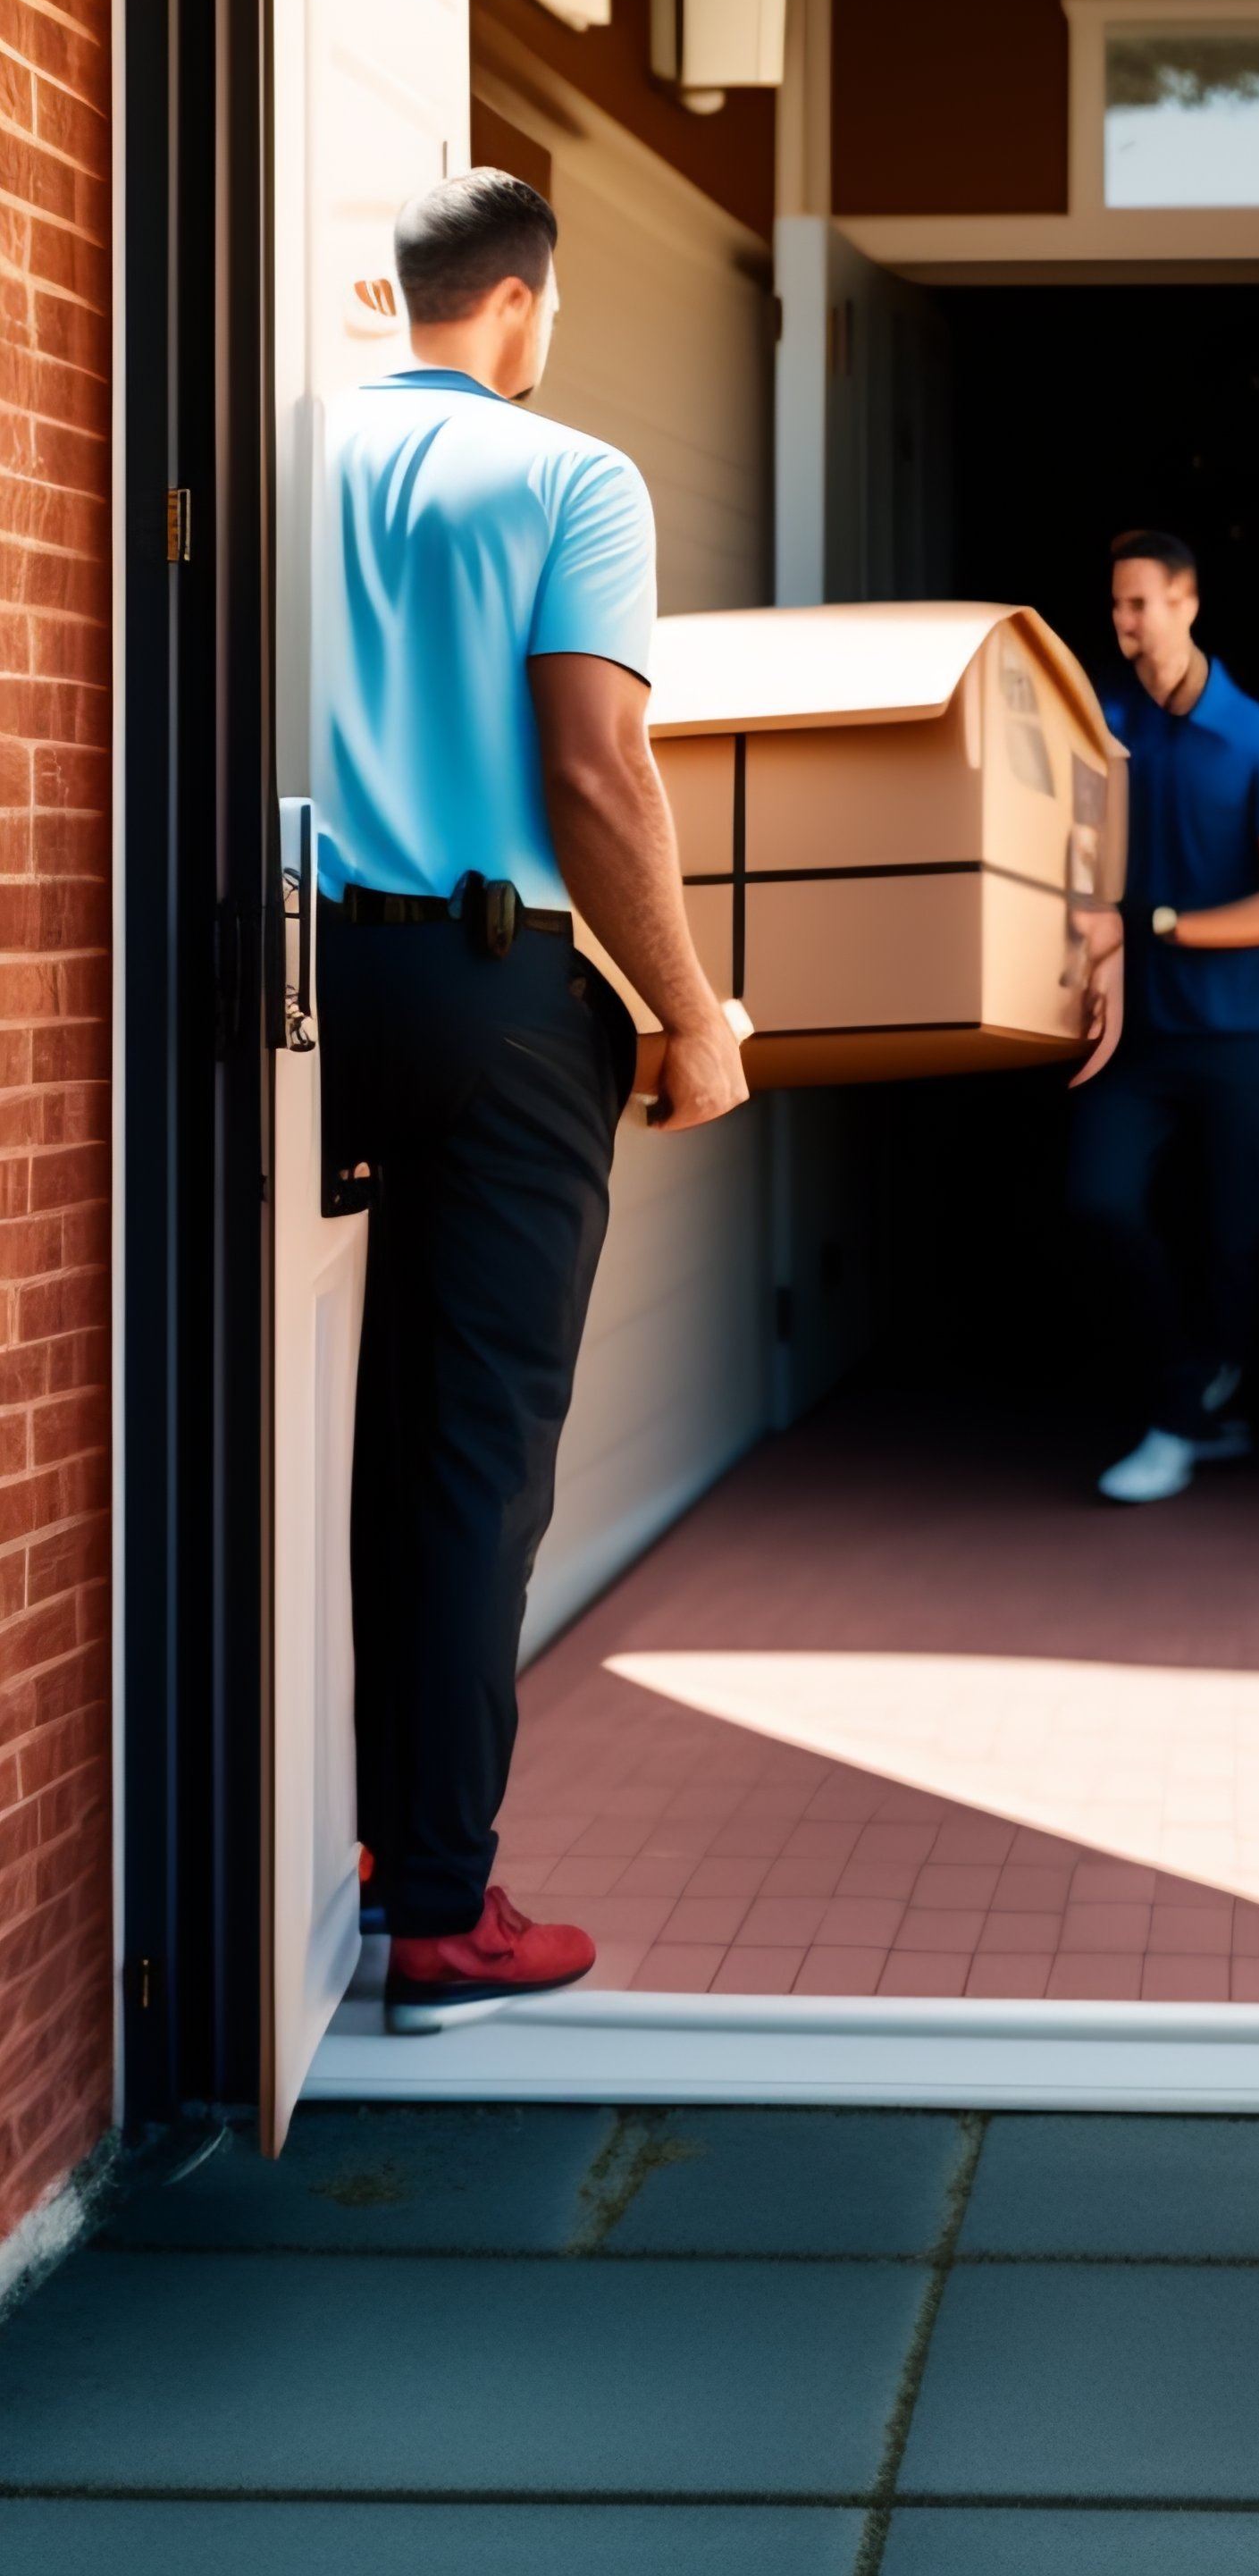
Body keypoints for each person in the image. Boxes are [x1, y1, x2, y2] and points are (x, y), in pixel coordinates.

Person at [313, 171, 748, 2030]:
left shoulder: (284, 457)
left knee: (335, 1419)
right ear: (526, 301)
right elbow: (598, 774)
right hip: (501, 998)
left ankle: (356, 1847)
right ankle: (436, 1911)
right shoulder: (572, 477)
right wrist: (696, 1011)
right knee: (468, 1448)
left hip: (296, 980)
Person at [1068, 529, 1259, 1503]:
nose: (1126, 627)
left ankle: (1199, 1405)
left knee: (1237, 1242)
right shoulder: (1104, 723)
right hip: (1134, 1036)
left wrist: (1160, 924)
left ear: (1187, 603)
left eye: (1141, 604)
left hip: (1241, 1038)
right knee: (1097, 1204)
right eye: (1116, 608)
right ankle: (1177, 1410)